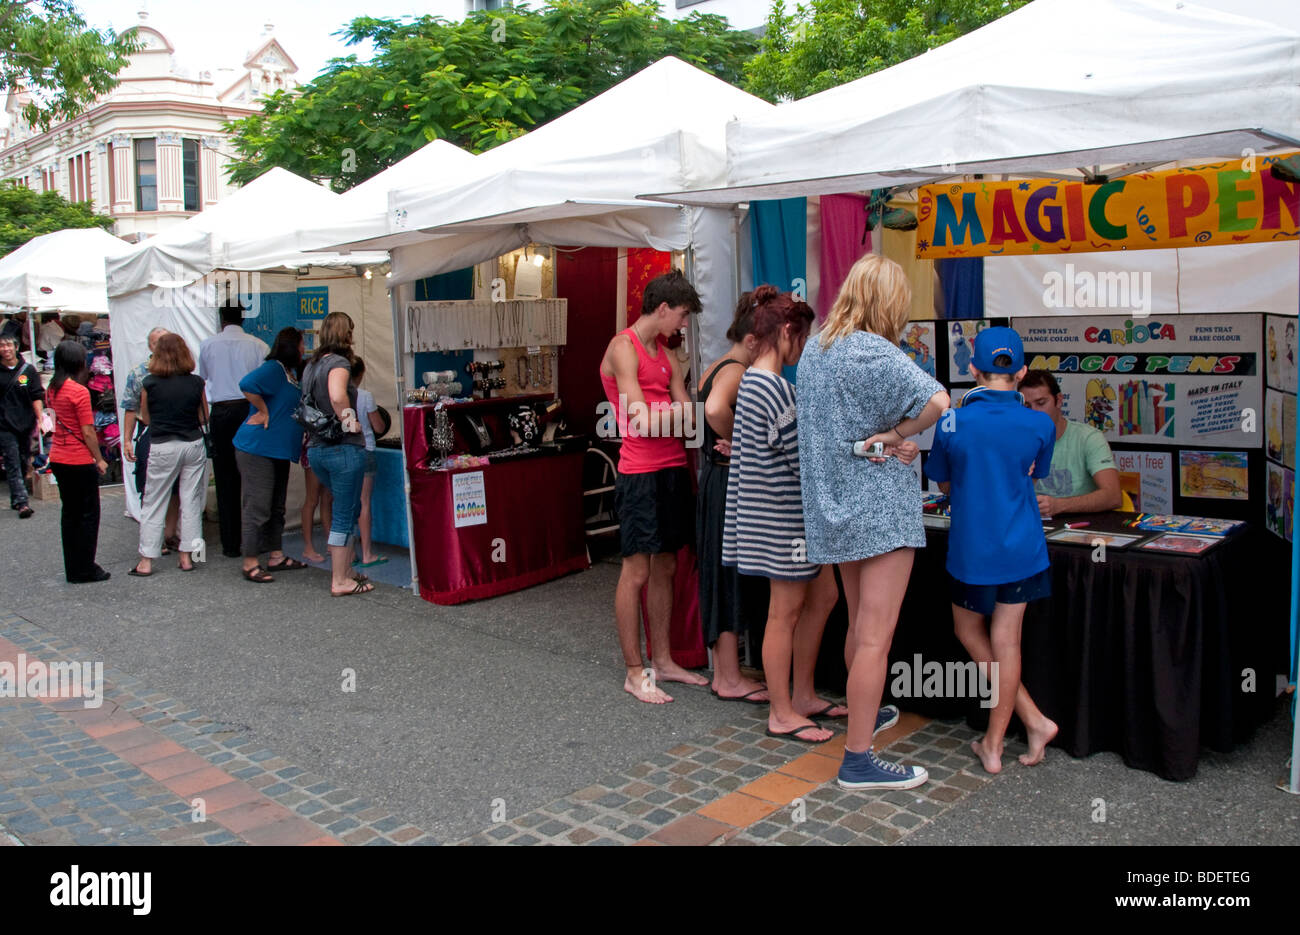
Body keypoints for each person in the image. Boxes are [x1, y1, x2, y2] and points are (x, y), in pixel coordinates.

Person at [797, 254, 948, 789]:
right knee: (874, 640)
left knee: (861, 627)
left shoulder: (817, 348)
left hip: (833, 508)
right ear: (890, 302)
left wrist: (883, 437)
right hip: (879, 507)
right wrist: (897, 434)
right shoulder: (873, 349)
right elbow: (939, 399)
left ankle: (865, 713)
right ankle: (858, 759)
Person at [925, 328, 1060, 774]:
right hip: (1023, 544)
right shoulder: (1041, 423)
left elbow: (942, 481)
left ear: (972, 369)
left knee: (970, 632)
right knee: (1007, 642)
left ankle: (1001, 741)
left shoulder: (952, 421)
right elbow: (1035, 473)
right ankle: (1017, 731)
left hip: (971, 548)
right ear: (1021, 372)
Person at [723, 286, 849, 744]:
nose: (803, 348)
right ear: (788, 333)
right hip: (783, 519)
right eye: (802, 337)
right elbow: (803, 459)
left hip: (775, 516)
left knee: (821, 597)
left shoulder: (757, 380)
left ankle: (801, 695)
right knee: (786, 612)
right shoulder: (772, 386)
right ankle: (783, 709)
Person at [598, 269, 708, 703]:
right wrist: (676, 416)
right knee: (637, 570)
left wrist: (672, 416)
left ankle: (662, 660)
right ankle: (633, 670)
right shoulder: (622, 348)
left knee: (667, 566)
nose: (683, 325)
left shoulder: (664, 353)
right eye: (681, 316)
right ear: (662, 309)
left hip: (671, 467)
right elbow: (641, 420)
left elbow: (690, 415)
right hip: (640, 473)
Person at [697, 292, 768, 704]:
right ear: (755, 339)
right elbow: (714, 410)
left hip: (714, 481)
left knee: (719, 574)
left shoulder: (718, 365)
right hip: (725, 483)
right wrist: (739, 441)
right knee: (725, 576)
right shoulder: (737, 370)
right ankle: (727, 677)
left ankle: (728, 671)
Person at [303, 312, 373, 596]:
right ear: (347, 334)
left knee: (349, 507)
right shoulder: (340, 363)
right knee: (345, 513)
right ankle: (339, 580)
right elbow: (336, 395)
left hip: (317, 448)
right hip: (342, 447)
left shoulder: (312, 365)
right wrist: (348, 418)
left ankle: (347, 571)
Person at [129, 334, 210, 576]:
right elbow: (203, 416)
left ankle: (146, 560)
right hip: (192, 443)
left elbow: (145, 417)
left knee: (154, 502)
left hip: (163, 444)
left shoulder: (149, 383)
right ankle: (186, 556)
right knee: (190, 500)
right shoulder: (196, 383)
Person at [233, 327, 309, 583]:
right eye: (301, 344)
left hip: (276, 449)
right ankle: (250, 562)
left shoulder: (288, 374)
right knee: (258, 506)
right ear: (291, 346)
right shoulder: (274, 368)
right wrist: (263, 410)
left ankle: (276, 555)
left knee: (276, 505)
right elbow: (246, 384)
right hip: (258, 448)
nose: (303, 348)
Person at [199, 300, 269, 557]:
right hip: (249, 409)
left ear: (221, 319)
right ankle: (256, 540)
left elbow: (204, 379)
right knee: (256, 477)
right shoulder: (258, 345)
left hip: (221, 411)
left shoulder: (208, 345)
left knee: (226, 477)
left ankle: (231, 544)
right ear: (243, 318)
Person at [45, 340, 109, 582]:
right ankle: (86, 566)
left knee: (70, 514)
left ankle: (73, 566)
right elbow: (88, 431)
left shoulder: (52, 389)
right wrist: (99, 459)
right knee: (89, 514)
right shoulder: (79, 392)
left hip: (58, 456)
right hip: (79, 459)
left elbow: (48, 423)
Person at [1018, 370, 1122, 516]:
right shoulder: (1015, 440)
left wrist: (1058, 505)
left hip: (1081, 530)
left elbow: (1113, 496)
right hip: (1030, 528)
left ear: (1059, 400)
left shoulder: (1088, 438)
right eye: (1027, 406)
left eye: (1041, 403)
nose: (1034, 412)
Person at [121, 327, 179, 553]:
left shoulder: (180, 370)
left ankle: (170, 534)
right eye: (156, 342)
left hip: (176, 435)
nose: (161, 346)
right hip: (150, 433)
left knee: (175, 488)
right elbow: (130, 408)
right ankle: (153, 537)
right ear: (150, 346)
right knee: (150, 488)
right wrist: (126, 439)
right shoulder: (139, 373)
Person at [0, 332, 44, 519]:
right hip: (3, 425)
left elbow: (36, 396)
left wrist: (40, 418)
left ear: (17, 347)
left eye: (9, 345)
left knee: (23, 458)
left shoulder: (28, 370)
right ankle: (21, 502)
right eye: (2, 345)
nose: (5, 349)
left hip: (25, 424)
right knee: (12, 461)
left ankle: (16, 496)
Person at [350, 357, 388, 568]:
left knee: (346, 503)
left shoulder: (336, 396)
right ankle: (367, 553)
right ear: (361, 374)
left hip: (345, 451)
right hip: (366, 450)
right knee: (364, 503)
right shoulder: (365, 396)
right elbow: (379, 427)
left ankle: (349, 552)